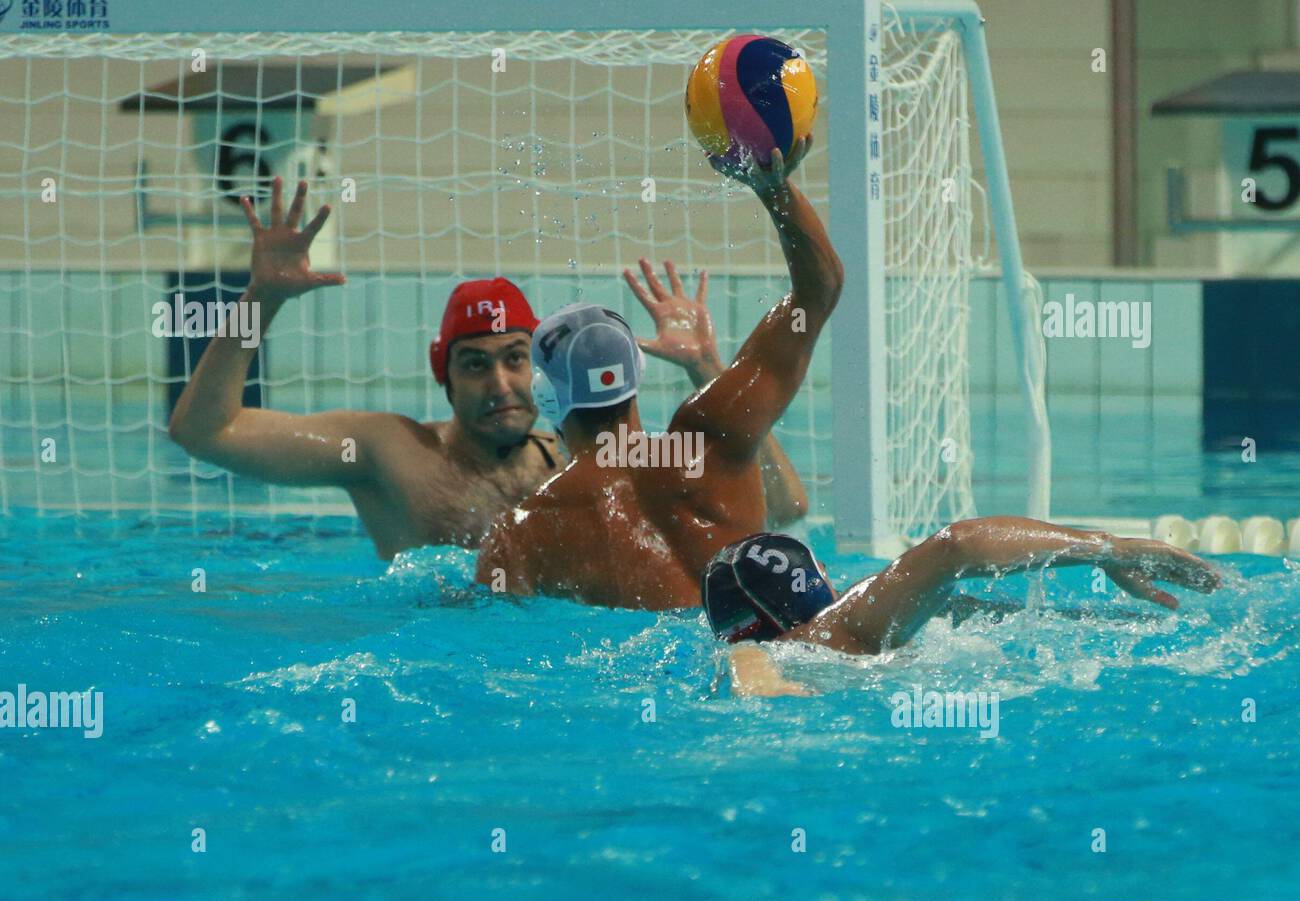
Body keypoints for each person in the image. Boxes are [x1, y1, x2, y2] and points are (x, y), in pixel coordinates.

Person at [168, 176, 807, 559]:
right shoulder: (387, 454)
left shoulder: (596, 454)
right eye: (474, 365)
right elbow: (205, 432)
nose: (500, 384)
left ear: (544, 369)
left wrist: (708, 371)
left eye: (515, 360)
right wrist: (262, 298)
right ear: (441, 374)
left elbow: (784, 507)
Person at [474, 138, 842, 608]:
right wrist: (773, 187)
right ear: (637, 373)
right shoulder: (712, 437)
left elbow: (503, 647)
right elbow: (820, 288)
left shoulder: (521, 534)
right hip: (786, 645)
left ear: (546, 396)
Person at [701, 517, 1225, 697]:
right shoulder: (849, 622)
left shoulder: (773, 648)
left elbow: (747, 656)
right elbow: (957, 545)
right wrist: (1109, 548)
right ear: (819, 583)